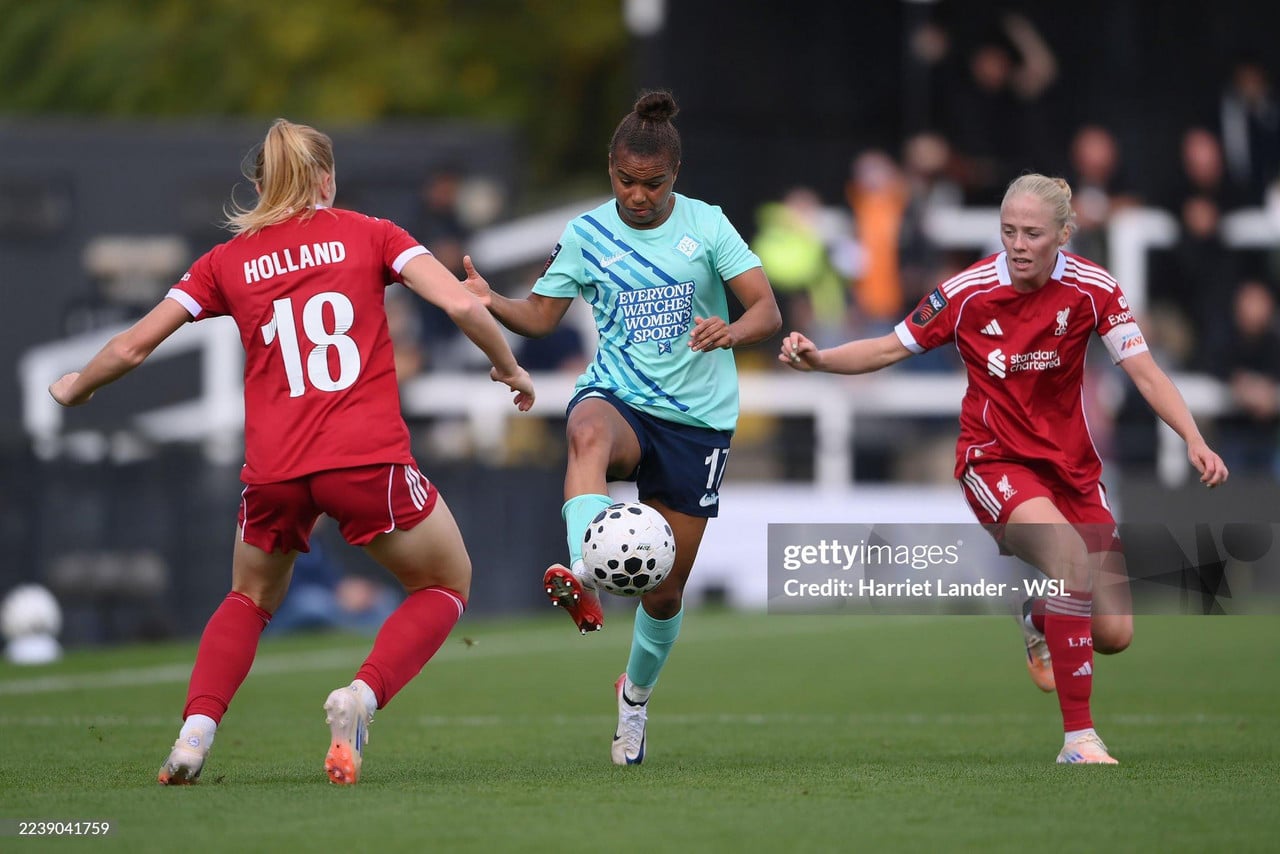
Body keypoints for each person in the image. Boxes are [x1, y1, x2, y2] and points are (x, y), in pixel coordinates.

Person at [47, 119, 535, 786]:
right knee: (445, 584)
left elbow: (132, 346)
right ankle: (361, 697)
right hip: (365, 462)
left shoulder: (225, 262)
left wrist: (76, 387)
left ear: (259, 185)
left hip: (275, 473)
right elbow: (459, 303)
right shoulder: (374, 233)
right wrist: (509, 366)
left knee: (248, 598)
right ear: (327, 179)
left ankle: (194, 736)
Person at [779, 174, 1229, 764]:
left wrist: (1193, 437)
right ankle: (1079, 740)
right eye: (1008, 231)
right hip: (993, 461)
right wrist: (820, 361)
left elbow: (1145, 372)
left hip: (1072, 472)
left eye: (1032, 233)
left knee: (1115, 633)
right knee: (1069, 558)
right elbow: (889, 346)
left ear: (1064, 235)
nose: (1017, 244)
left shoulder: (1094, 289)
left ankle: (1039, 616)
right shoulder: (967, 292)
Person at [462, 90, 781, 765]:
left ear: (675, 176)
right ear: (611, 171)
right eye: (625, 181)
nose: (637, 195)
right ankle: (584, 567)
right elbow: (541, 317)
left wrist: (731, 329)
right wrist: (492, 301)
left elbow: (767, 312)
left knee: (664, 596)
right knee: (586, 433)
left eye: (652, 183)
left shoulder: (708, 226)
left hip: (697, 423)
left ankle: (633, 699)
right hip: (622, 398)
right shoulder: (586, 234)